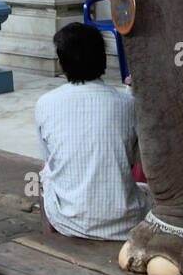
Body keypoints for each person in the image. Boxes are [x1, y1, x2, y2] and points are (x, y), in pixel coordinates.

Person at [35, 23, 152, 240]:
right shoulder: (128, 104)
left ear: (62, 64)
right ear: (104, 61)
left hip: (68, 221)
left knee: (44, 174)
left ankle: (50, 239)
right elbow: (137, 160)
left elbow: (49, 160)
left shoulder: (45, 104)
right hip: (127, 222)